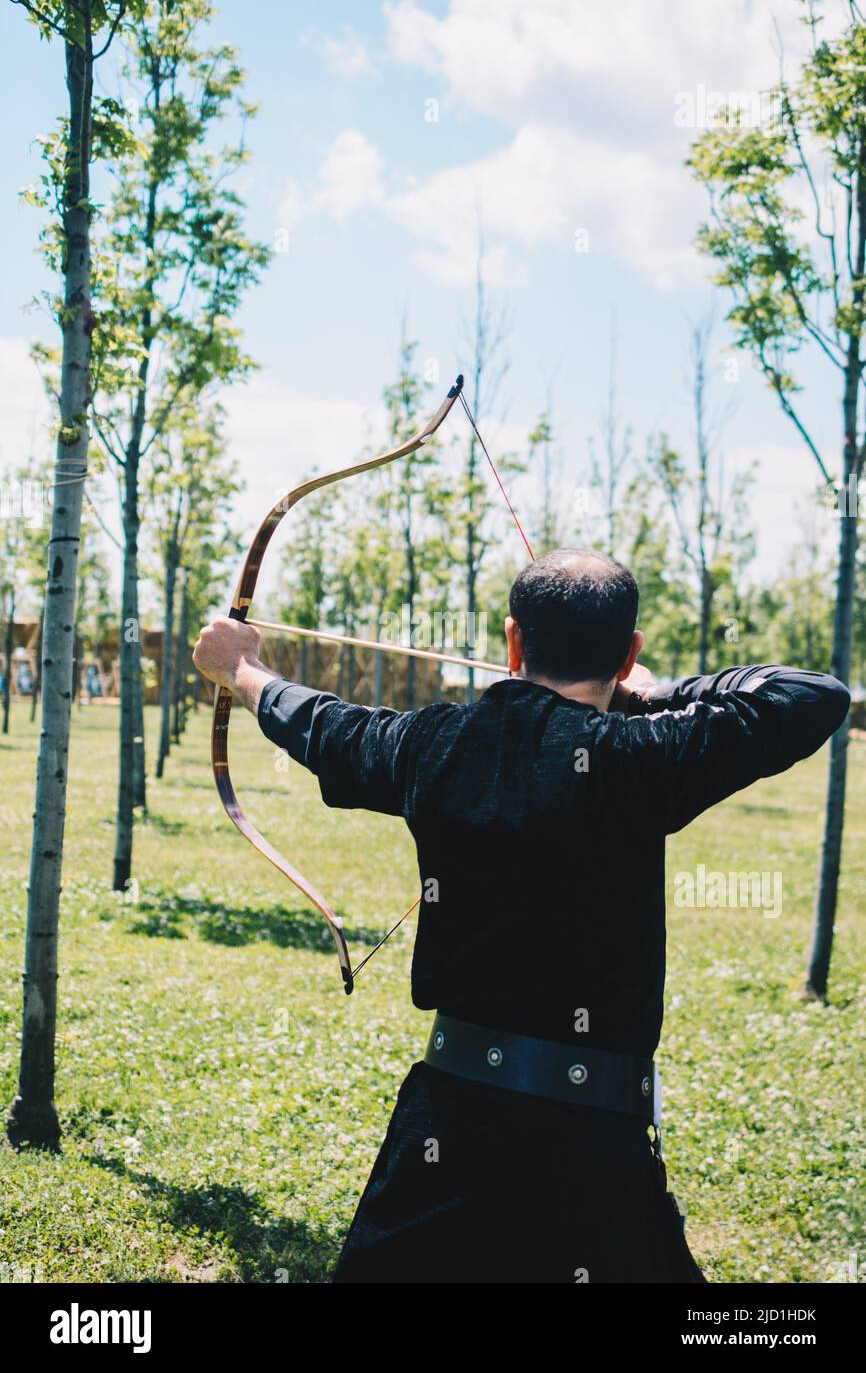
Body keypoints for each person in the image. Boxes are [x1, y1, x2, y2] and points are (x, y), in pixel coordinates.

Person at [193, 548, 850, 1284]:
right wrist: (659, 695)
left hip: (447, 1130)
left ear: (512, 640)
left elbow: (323, 725)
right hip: (594, 1147)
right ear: (629, 651)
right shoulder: (644, 755)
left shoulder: (427, 744)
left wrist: (244, 670)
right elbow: (812, 694)